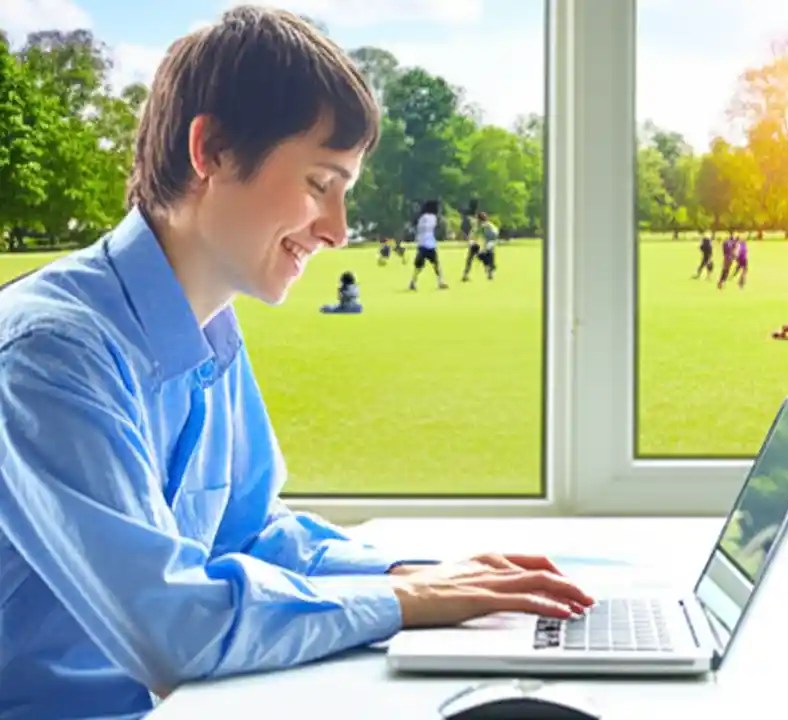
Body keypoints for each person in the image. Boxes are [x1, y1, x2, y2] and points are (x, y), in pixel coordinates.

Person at [0, 9, 592, 719]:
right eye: (320, 183)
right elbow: (176, 627)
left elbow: (249, 534)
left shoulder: (210, 333)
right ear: (212, 150)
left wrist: (420, 573)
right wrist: (405, 598)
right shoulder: (49, 354)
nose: (338, 230)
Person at [409, 199, 447, 290]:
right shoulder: (432, 217)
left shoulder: (421, 217)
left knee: (419, 266)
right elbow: (434, 227)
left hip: (422, 243)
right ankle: (441, 282)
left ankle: (413, 282)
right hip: (429, 243)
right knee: (436, 264)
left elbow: (416, 227)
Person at [460, 198, 481, 282]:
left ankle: (465, 274)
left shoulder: (469, 217)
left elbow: (463, 228)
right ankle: (465, 275)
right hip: (474, 240)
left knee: (470, 258)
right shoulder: (473, 217)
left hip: (473, 239)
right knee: (473, 257)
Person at [476, 211, 499, 280]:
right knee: (486, 255)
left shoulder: (486, 225)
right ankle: (490, 269)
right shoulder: (486, 225)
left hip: (490, 242)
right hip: (489, 242)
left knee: (486, 254)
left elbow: (494, 233)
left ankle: (490, 269)